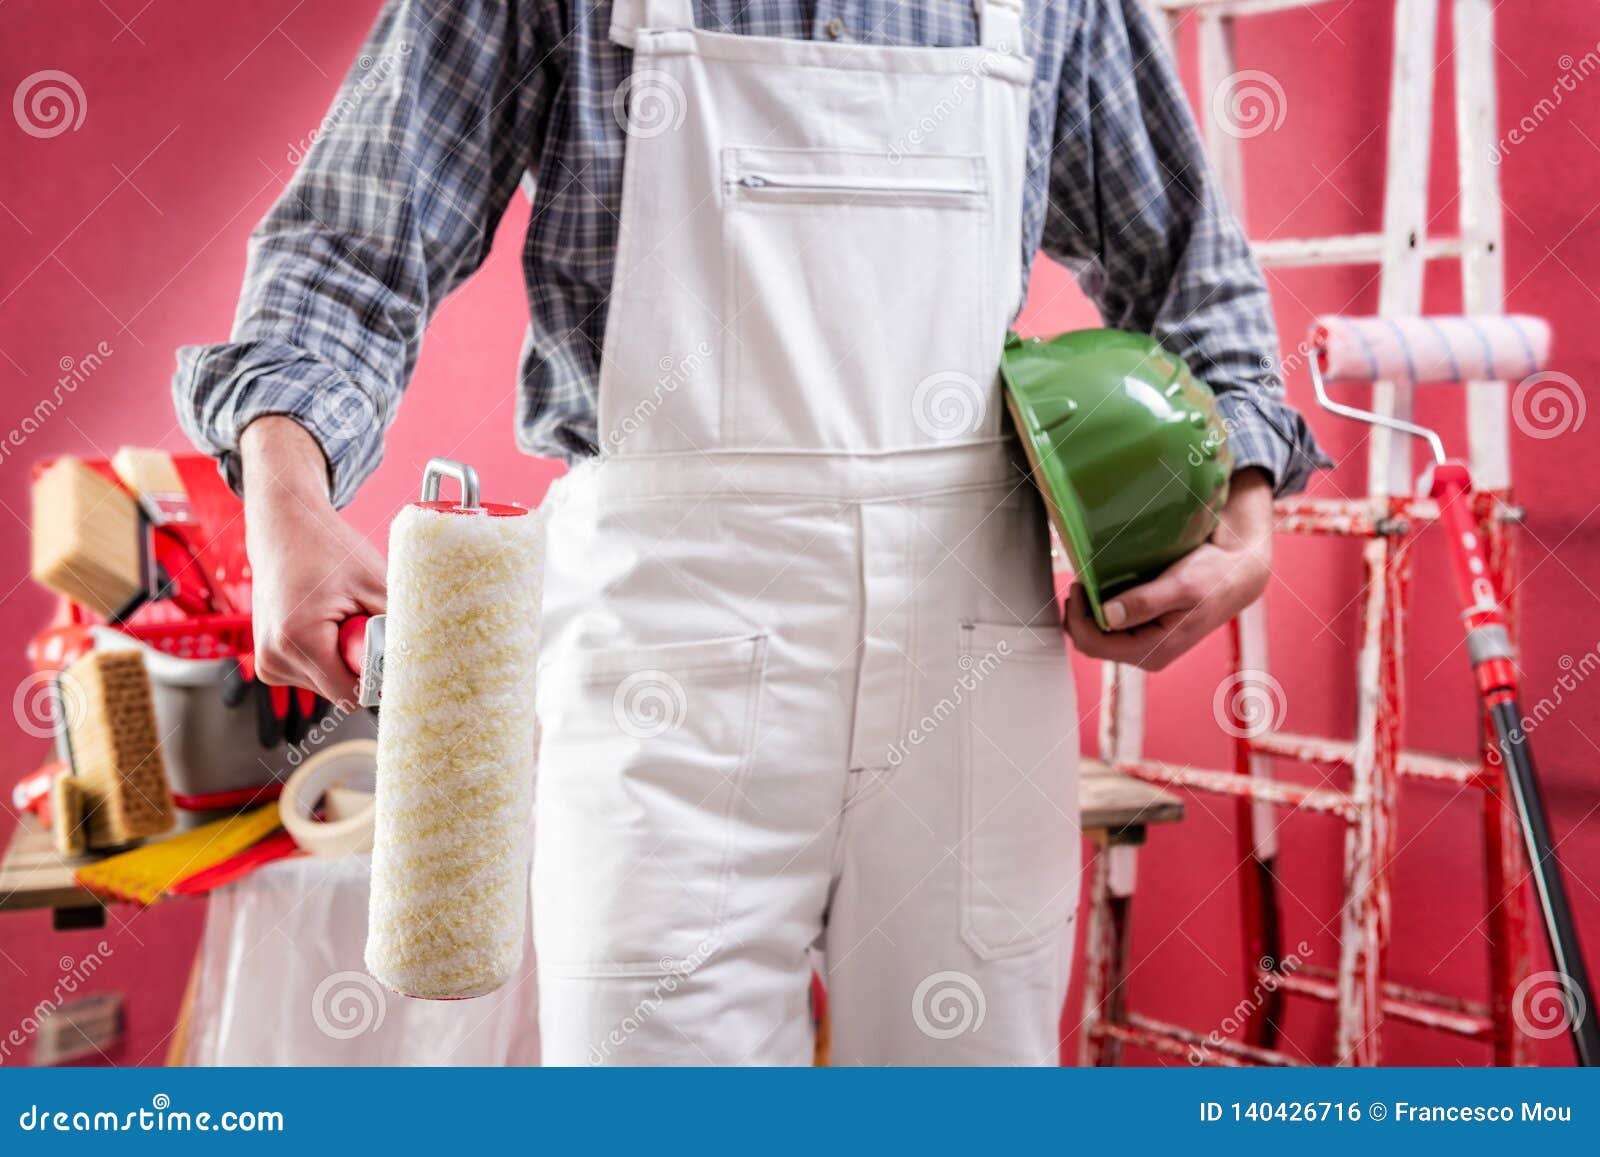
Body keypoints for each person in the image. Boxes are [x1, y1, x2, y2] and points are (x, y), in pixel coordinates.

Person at [175, 0, 1326, 1066]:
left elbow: (1192, 271)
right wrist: (286, 498)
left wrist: (1240, 505)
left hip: (970, 643)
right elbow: (350, 246)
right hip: (663, 651)